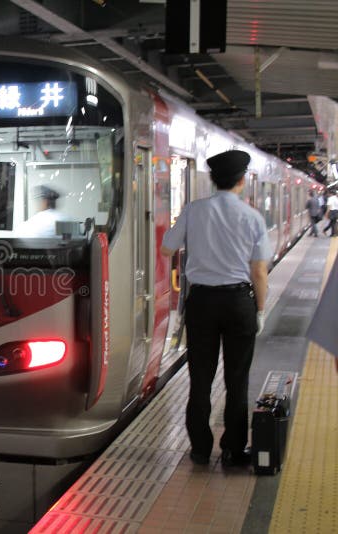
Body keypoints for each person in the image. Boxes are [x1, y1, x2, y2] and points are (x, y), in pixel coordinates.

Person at [161, 149, 271, 468]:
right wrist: (260, 311)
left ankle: (199, 449)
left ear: (212, 180)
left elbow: (168, 247)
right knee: (237, 379)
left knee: (200, 378)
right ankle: (234, 450)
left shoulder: (194, 210)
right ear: (241, 181)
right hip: (239, 303)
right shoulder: (253, 217)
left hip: (202, 303)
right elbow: (259, 272)